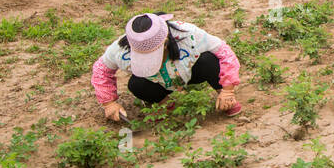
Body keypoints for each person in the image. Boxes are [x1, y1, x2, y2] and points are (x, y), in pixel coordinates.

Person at [92, 13, 241, 121]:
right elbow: (101, 70)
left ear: (165, 42)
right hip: (157, 82)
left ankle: (225, 97)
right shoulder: (120, 50)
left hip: (189, 71)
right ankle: (166, 104)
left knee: (209, 59)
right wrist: (109, 103)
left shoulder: (188, 34)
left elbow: (224, 52)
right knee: (136, 84)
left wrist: (228, 89)